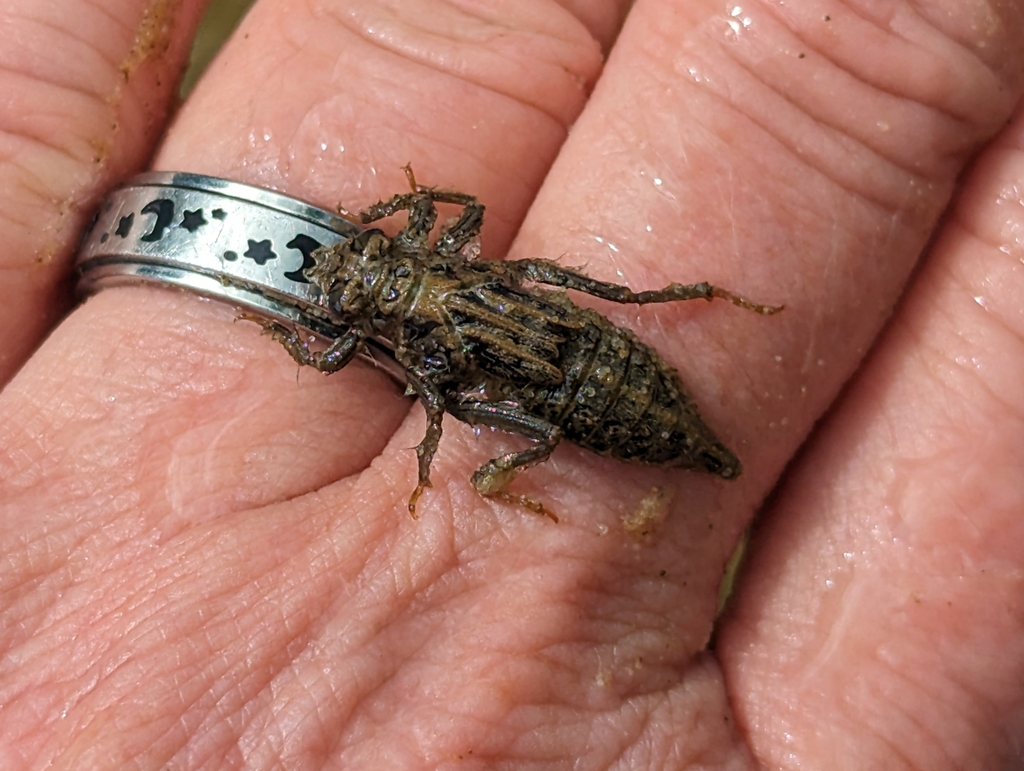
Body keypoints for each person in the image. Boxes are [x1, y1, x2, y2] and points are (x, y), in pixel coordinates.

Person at [2, 0, 1022, 767]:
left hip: (585, 378)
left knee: (492, 371)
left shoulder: (402, 326)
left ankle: (639, 371)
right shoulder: (444, 276)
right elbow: (451, 234)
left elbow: (392, 364)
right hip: (574, 373)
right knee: (480, 383)